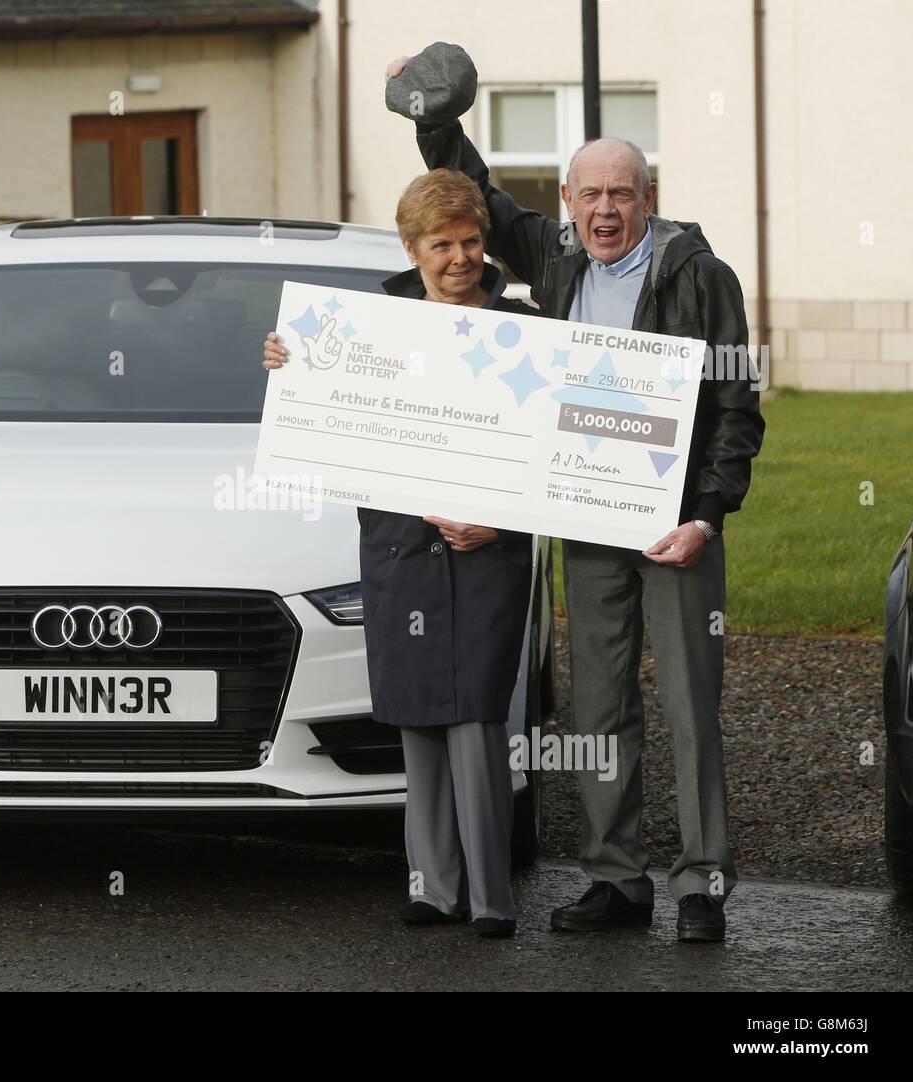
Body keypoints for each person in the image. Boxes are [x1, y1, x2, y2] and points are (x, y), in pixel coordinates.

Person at [387, 51, 765, 943]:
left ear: (649, 197)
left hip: (677, 529)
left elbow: (738, 409)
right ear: (567, 202)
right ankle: (616, 878)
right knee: (597, 710)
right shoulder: (555, 264)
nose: (604, 210)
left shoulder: (700, 276)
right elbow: (471, 186)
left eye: (621, 195)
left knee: (688, 703)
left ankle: (702, 883)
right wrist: (429, 109)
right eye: (589, 195)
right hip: (588, 524)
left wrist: (708, 514)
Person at [262, 168, 538, 938]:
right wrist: (291, 371)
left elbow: (544, 460)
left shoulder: (523, 329)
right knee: (417, 719)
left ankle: (491, 898)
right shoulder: (366, 333)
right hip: (400, 551)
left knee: (478, 717)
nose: (460, 258)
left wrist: (501, 523)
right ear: (412, 249)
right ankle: (432, 888)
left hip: (487, 554)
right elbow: (323, 428)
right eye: (442, 244)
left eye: (472, 241)